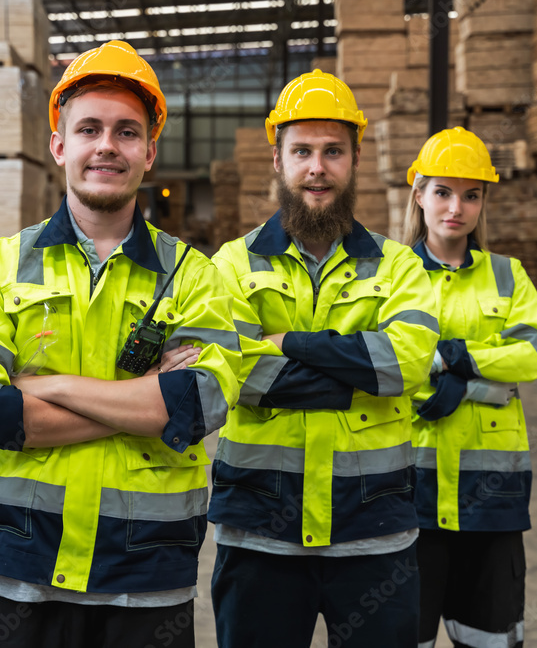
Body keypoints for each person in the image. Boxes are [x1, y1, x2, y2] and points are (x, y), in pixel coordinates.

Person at [0, 40, 241, 648]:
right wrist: (143, 402)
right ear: (60, 146)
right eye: (90, 129)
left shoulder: (194, 275)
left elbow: (198, 407)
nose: (107, 145)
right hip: (23, 566)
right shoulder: (2, 267)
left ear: (150, 152)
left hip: (146, 570)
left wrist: (46, 385)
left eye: (127, 132)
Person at [208, 69, 441, 648]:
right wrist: (361, 372)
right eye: (303, 151)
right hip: (259, 532)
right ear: (278, 161)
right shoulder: (232, 266)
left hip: (373, 534)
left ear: (356, 158)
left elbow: (407, 366)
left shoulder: (399, 266)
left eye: (333, 151)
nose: (318, 167)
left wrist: (287, 344)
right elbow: (233, 376)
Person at [399, 127, 537, 648]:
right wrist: (483, 384)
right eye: (442, 191)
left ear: (484, 201)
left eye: (471, 194)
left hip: (493, 497)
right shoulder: (390, 277)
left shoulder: (508, 275)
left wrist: (454, 363)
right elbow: (387, 367)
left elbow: (530, 357)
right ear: (418, 194)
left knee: (490, 637)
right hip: (410, 491)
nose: (455, 207)